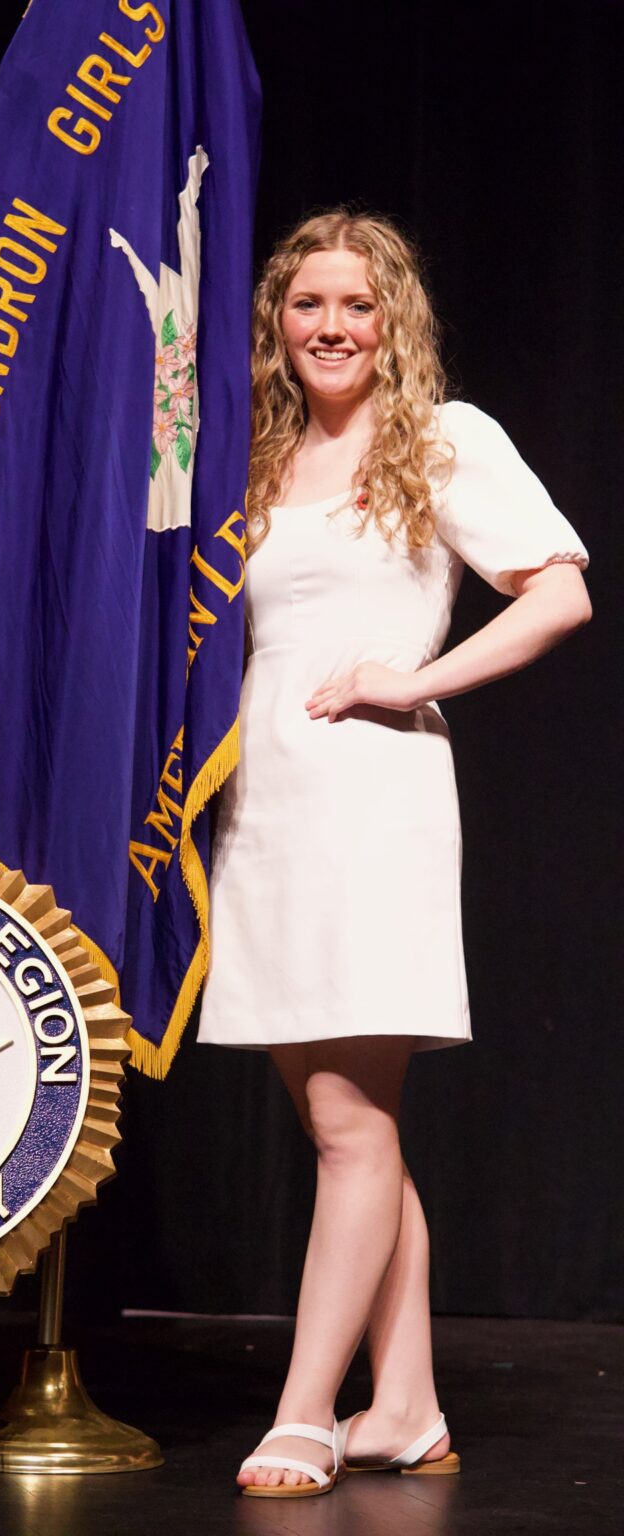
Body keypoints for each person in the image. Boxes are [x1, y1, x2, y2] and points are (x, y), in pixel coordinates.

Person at [198, 211, 591, 1499]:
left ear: (391, 322)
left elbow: (559, 591)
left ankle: (306, 1411)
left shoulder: (445, 439)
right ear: (277, 321)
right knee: (342, 1119)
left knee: (348, 1125)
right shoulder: (254, 460)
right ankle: (407, 1404)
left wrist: (412, 679)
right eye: (308, 305)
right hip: (266, 813)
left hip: (371, 800)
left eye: (357, 307)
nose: (331, 327)